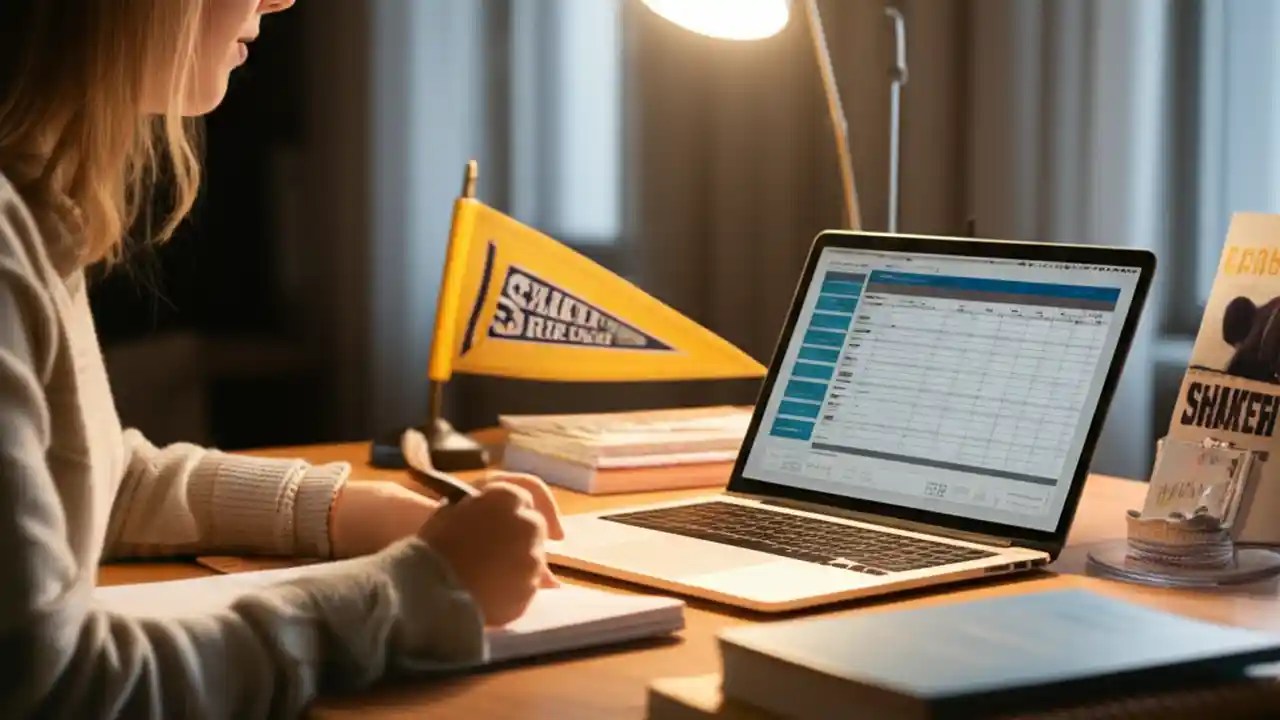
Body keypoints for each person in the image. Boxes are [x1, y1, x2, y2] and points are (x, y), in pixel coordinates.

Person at [0, 1, 565, 717]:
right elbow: (61, 689)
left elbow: (100, 481)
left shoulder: (30, 206)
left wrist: (348, 510)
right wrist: (420, 589)